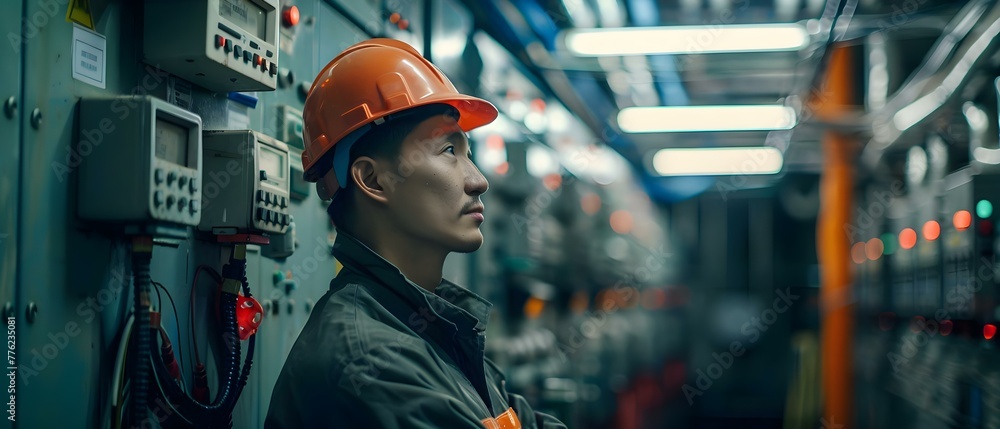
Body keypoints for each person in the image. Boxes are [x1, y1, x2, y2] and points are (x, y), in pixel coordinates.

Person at [265, 38, 567, 429]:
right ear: (373, 179)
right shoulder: (371, 362)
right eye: (448, 151)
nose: (478, 181)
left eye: (469, 155)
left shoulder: (437, 331)